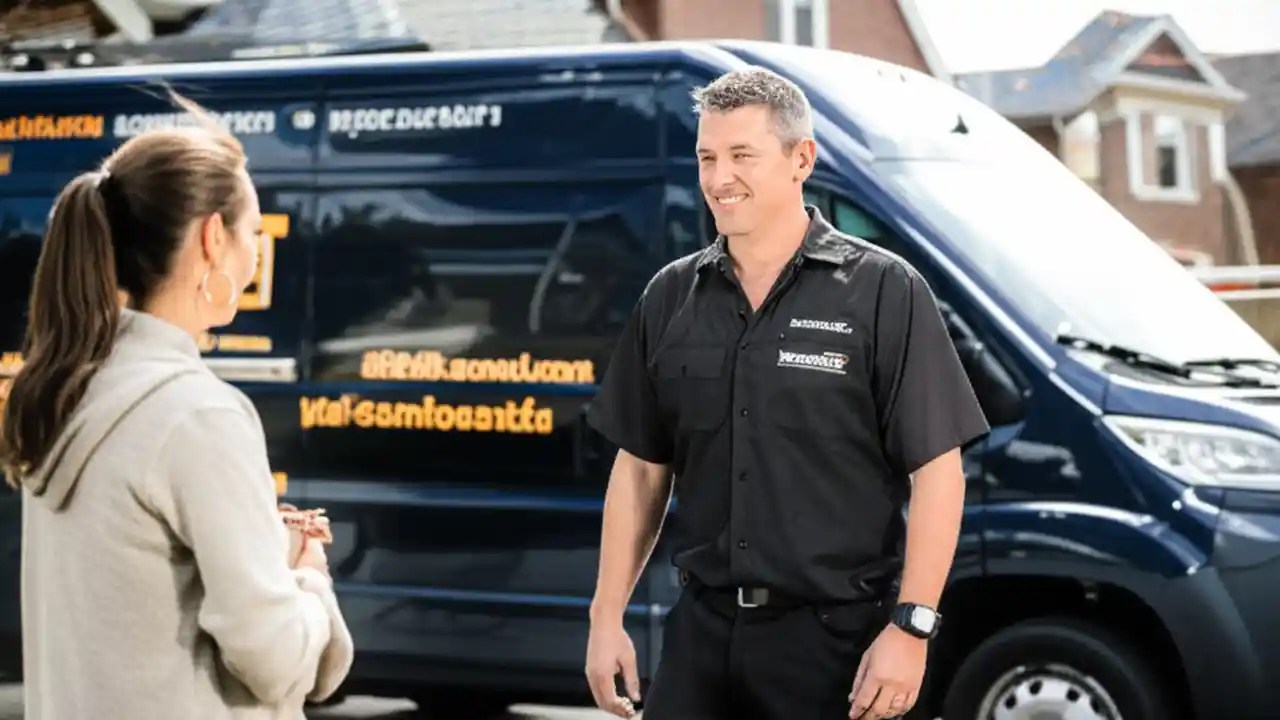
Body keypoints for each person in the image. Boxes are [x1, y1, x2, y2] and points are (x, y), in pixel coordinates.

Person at [583, 67, 990, 720]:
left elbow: (938, 470)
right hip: (702, 635)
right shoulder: (669, 296)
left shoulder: (884, 290)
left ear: (801, 158)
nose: (719, 179)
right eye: (707, 157)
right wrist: (606, 618)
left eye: (742, 155)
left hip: (837, 644)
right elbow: (640, 470)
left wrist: (911, 630)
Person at [0, 94, 353, 720]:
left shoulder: (65, 393)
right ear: (213, 238)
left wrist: (263, 544)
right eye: (253, 229)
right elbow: (274, 660)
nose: (257, 251)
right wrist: (309, 579)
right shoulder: (198, 415)